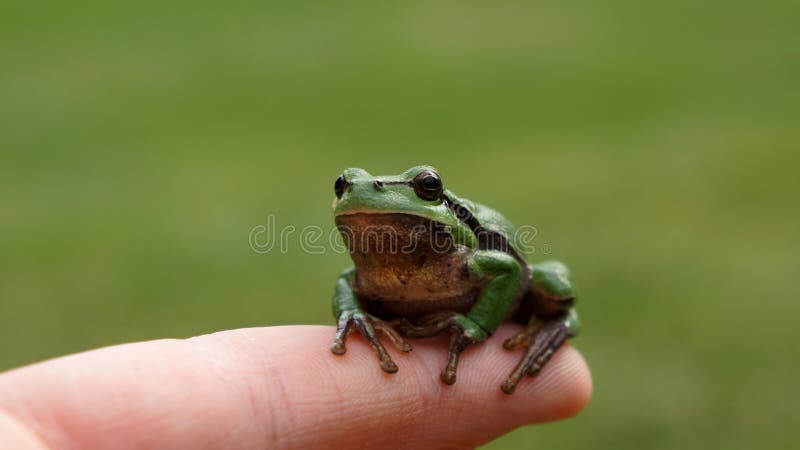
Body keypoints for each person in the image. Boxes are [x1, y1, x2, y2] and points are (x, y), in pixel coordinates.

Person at [0, 324, 591, 449]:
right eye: (345, 186)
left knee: (551, 283)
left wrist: (477, 326)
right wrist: (353, 312)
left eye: (423, 189)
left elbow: (507, 270)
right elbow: (348, 280)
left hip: (496, 293)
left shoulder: (465, 247)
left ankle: (555, 327)